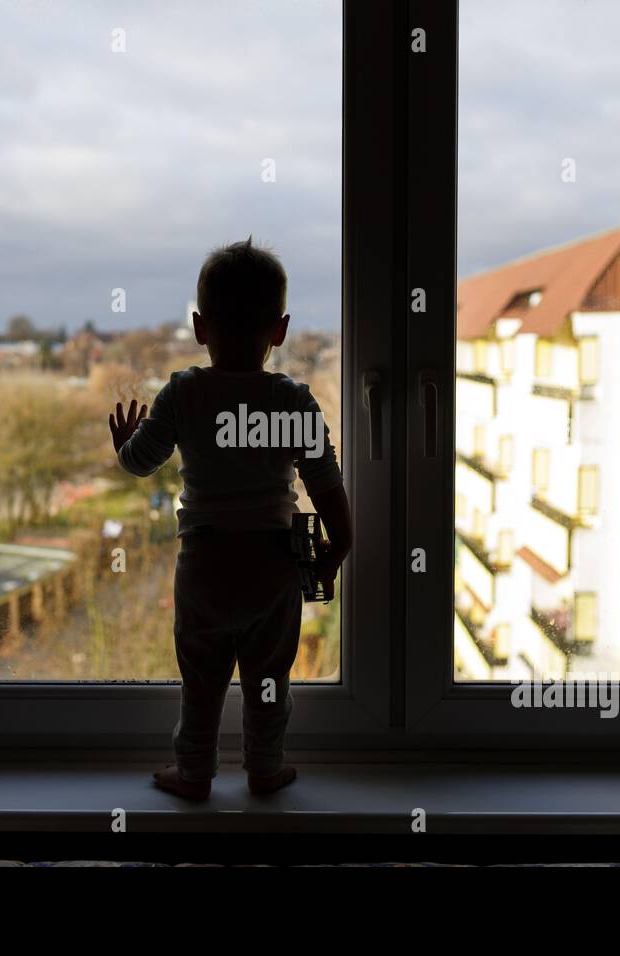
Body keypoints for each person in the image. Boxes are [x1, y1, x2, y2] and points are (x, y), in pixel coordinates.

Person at [109, 237, 352, 800]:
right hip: (274, 564)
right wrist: (339, 545)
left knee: (203, 679)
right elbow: (325, 481)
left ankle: (193, 773)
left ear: (199, 327)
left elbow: (142, 464)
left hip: (206, 562)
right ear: (280, 329)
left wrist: (124, 446)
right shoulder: (294, 401)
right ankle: (264, 769)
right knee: (269, 679)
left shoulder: (184, 392)